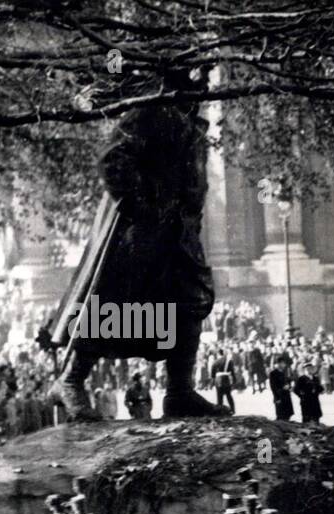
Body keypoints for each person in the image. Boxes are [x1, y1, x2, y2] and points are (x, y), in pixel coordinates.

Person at [46, 69, 228, 420]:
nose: (203, 84)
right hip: (139, 234)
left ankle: (180, 391)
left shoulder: (189, 121)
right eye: (196, 76)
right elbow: (113, 159)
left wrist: (187, 217)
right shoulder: (152, 110)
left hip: (178, 235)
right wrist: (147, 205)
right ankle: (70, 380)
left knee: (190, 301)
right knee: (113, 302)